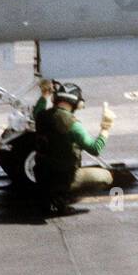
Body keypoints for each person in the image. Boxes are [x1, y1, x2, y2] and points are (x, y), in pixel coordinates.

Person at [32, 81, 115, 216]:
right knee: (106, 177)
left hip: (41, 174)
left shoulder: (41, 116)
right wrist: (106, 127)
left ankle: (49, 195)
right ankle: (61, 198)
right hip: (63, 178)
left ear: (55, 99)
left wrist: (44, 95)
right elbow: (95, 149)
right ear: (77, 104)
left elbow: (37, 110)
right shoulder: (72, 125)